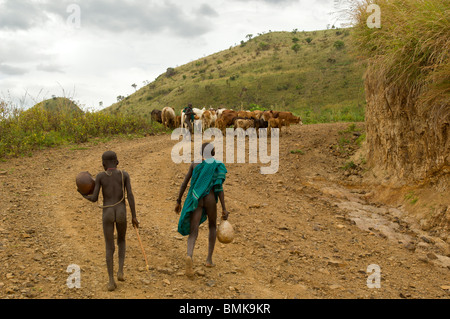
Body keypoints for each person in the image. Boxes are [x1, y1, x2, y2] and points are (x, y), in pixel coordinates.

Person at [79, 151, 139, 291]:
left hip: (107, 212)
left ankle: (111, 281)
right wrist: (134, 216)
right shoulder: (124, 175)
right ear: (117, 162)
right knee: (122, 240)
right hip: (121, 211)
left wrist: (82, 194)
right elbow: (130, 195)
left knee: (109, 246)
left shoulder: (100, 176)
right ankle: (120, 271)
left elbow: (94, 199)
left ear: (103, 164)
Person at [175, 142, 229, 278]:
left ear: (201, 153)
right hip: (210, 199)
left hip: (196, 198)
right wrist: (223, 207)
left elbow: (185, 183)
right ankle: (209, 260)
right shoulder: (217, 165)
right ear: (213, 153)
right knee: (212, 226)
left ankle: (189, 255)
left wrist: (178, 200)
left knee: (193, 231)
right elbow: (219, 188)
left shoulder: (195, 164)